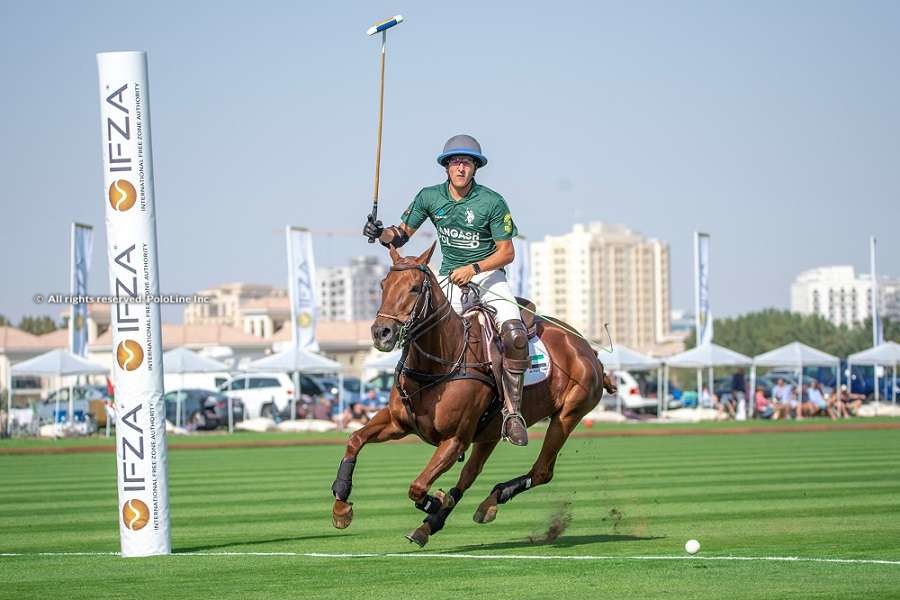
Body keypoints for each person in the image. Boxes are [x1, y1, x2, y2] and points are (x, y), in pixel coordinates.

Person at [363, 134, 529, 446]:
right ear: (446, 167)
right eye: (455, 162)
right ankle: (411, 399)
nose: (460, 167)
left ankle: (513, 413)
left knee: (515, 335)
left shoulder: (492, 202)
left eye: (466, 162)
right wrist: (380, 232)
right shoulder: (430, 197)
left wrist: (475, 268)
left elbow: (507, 252)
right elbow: (400, 236)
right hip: (449, 278)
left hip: (489, 277)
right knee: (420, 326)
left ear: (475, 168)